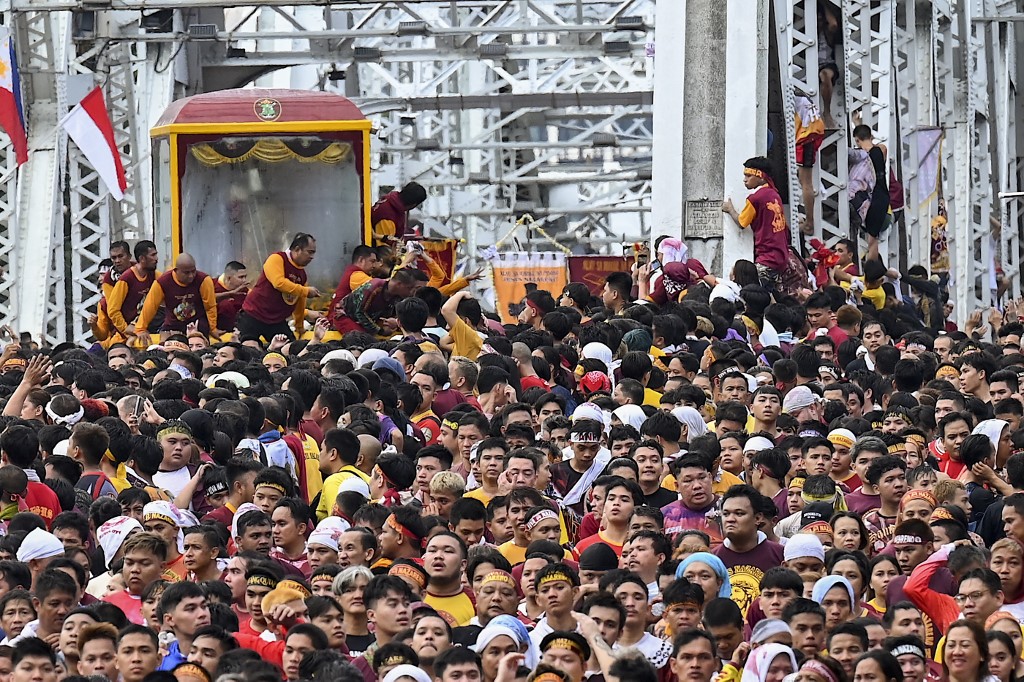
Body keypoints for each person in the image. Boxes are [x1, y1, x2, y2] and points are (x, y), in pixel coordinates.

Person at [721, 157, 790, 290]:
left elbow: (742, 222)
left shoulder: (755, 198)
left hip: (767, 258)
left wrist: (730, 209)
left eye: (748, 175)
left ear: (761, 177)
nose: (744, 179)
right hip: (781, 256)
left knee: (747, 290)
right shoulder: (774, 194)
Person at [238, 233, 321, 342]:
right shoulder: (276, 259)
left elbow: (300, 301)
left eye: (313, 253)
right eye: (309, 252)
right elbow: (279, 283)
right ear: (297, 249)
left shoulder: (302, 274)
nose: (312, 257)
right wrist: (305, 291)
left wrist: (299, 326)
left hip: (276, 321)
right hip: (254, 314)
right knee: (248, 348)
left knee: (289, 348)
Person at [134, 253, 222, 345]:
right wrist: (141, 329)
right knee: (165, 342)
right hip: (173, 324)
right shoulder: (162, 282)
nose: (191, 276)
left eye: (193, 271)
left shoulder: (204, 280)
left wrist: (213, 328)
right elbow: (150, 307)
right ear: (176, 270)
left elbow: (210, 306)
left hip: (197, 323)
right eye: (186, 273)